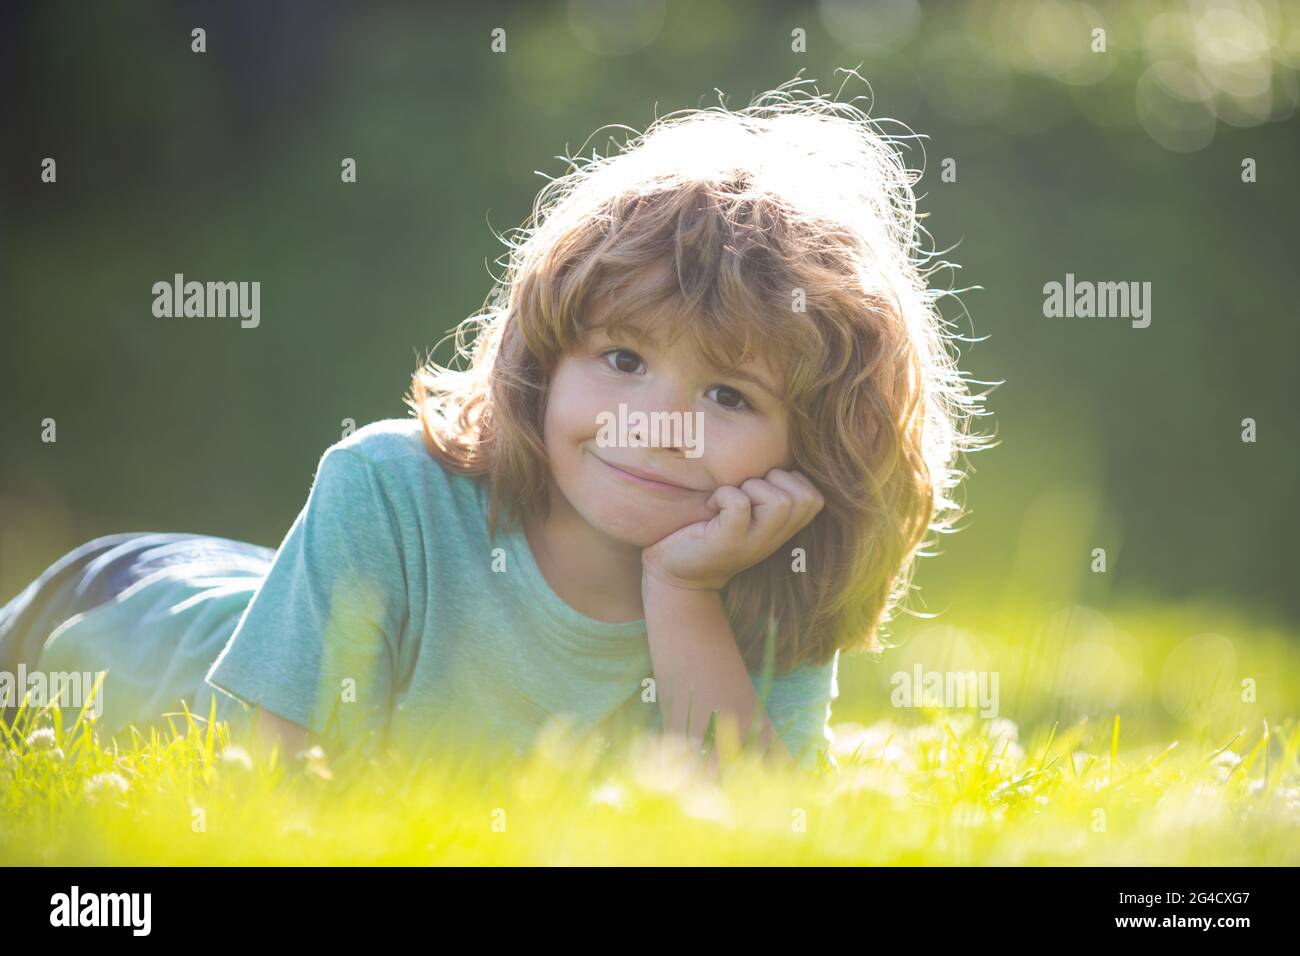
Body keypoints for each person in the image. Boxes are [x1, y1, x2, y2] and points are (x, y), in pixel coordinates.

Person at [0, 76, 989, 773]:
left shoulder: (776, 585)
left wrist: (682, 595)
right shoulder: (384, 487)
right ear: (542, 360)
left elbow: (761, 839)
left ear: (809, 449)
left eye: (729, 397)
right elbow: (279, 793)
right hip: (97, 617)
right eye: (623, 360)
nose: (656, 427)